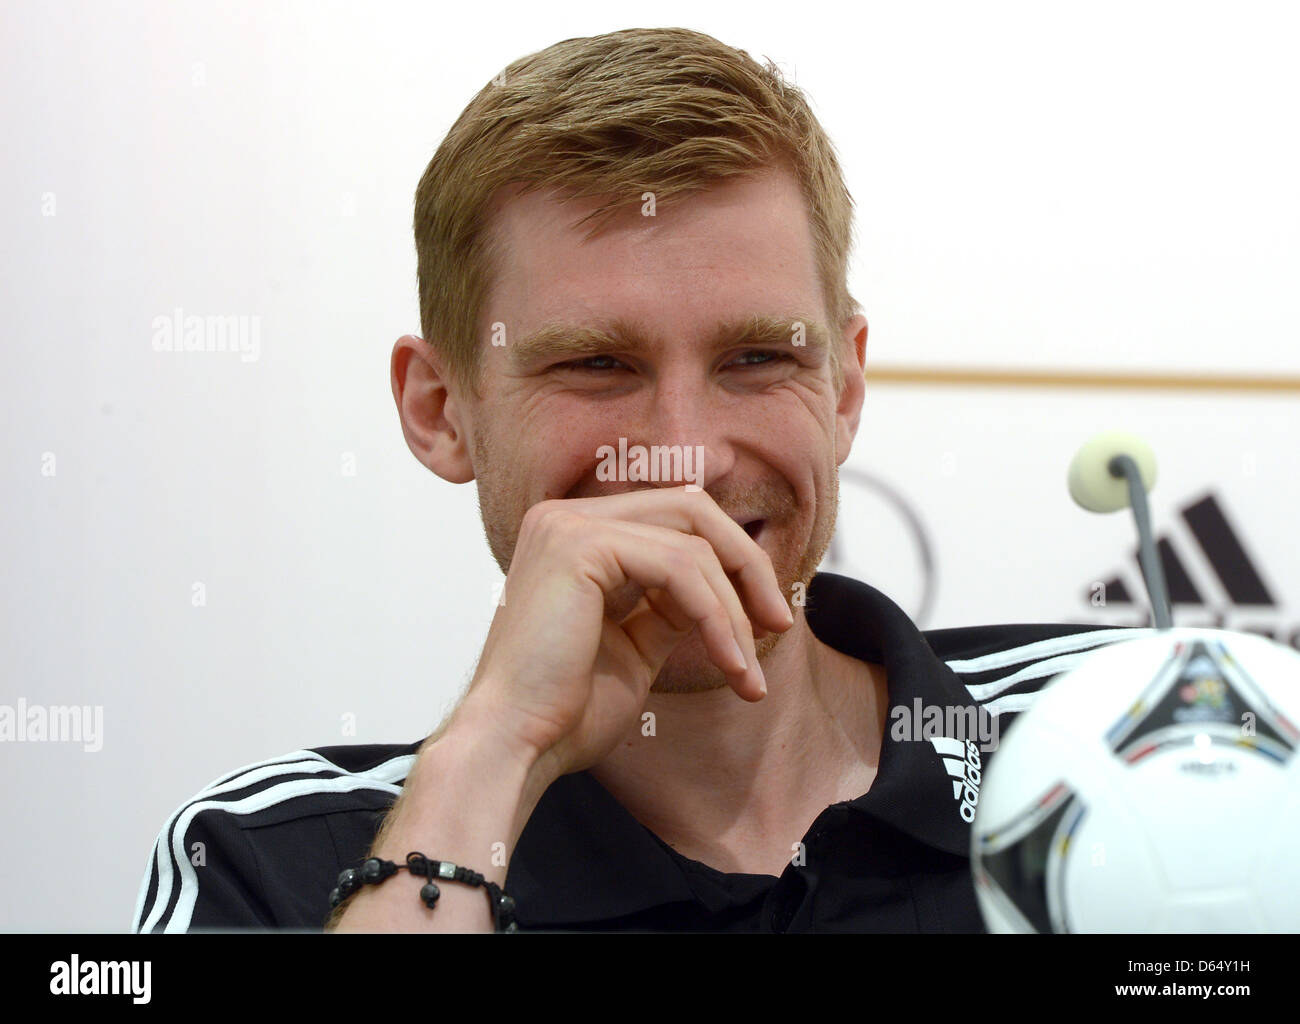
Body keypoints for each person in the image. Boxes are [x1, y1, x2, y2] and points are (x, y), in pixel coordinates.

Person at [133, 26, 1136, 934]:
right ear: (440, 410)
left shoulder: (1134, 744)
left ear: (843, 386)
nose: (685, 454)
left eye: (755, 358)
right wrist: (490, 754)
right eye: (595, 365)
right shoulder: (266, 867)